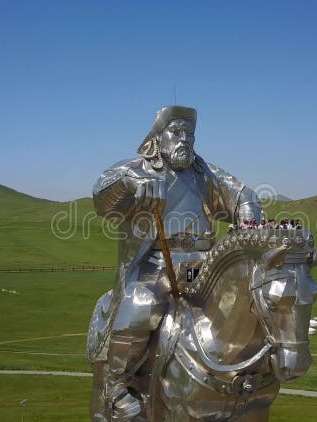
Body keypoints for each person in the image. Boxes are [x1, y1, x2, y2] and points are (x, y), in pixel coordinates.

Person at [92, 105, 263, 420]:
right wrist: (131, 185)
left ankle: (259, 376)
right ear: (159, 137)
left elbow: (243, 195)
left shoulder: (204, 173)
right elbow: (102, 195)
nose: (185, 139)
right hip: (157, 263)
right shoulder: (137, 169)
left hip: (207, 263)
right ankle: (117, 385)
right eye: (176, 132)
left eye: (190, 134)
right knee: (140, 307)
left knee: (255, 305)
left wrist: (248, 219)